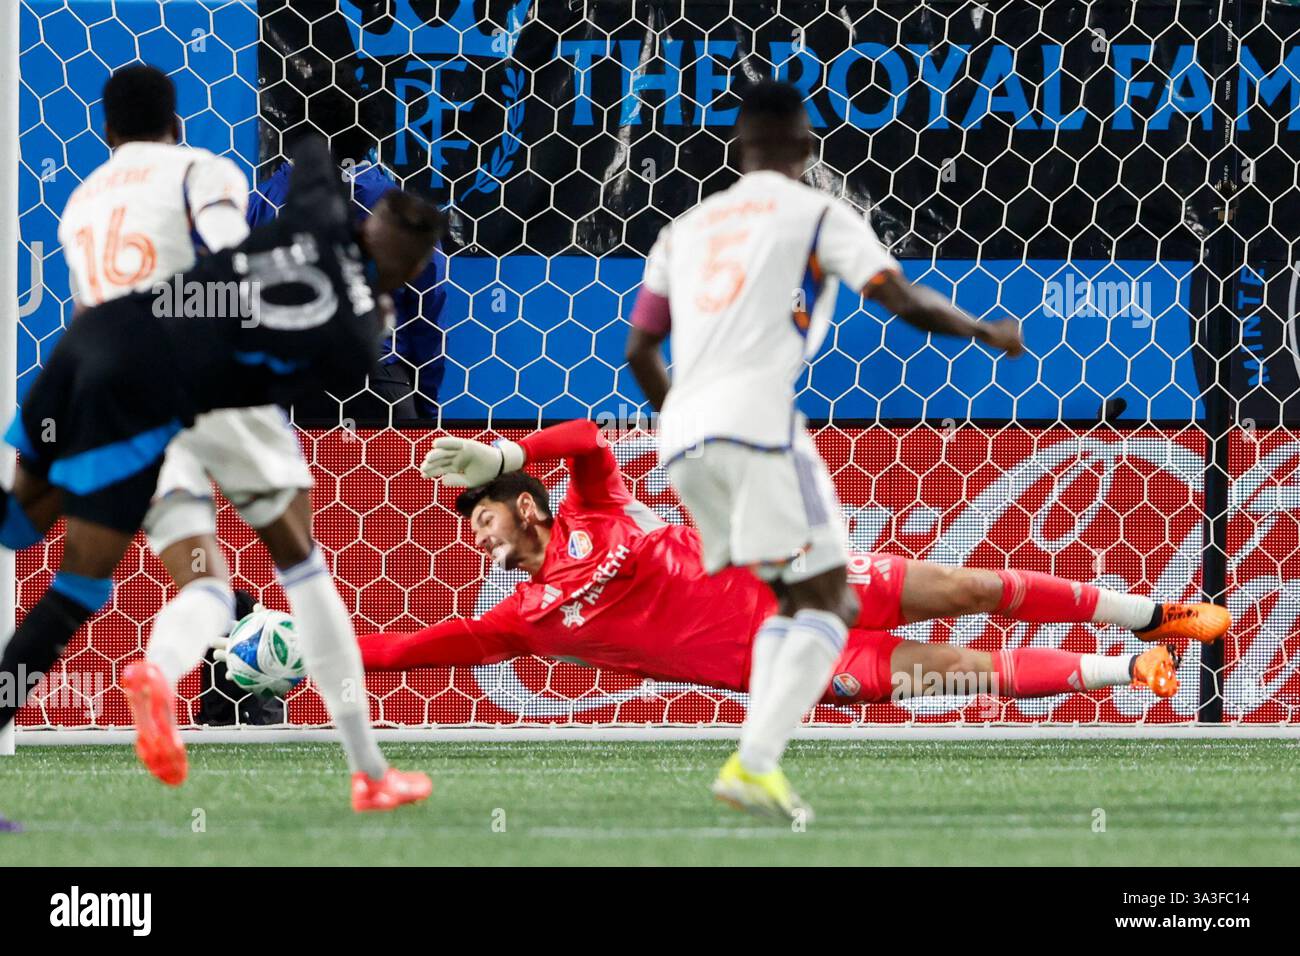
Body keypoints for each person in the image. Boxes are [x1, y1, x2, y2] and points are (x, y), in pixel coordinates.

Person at [362, 421, 1228, 787]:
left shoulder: (596, 507)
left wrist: (506, 448)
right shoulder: (527, 618)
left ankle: (1150, 614)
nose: (473, 534)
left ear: (521, 502)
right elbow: (413, 650)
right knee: (970, 675)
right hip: (804, 665)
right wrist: (317, 647)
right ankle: (1133, 666)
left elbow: (587, 442)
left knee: (969, 586)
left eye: (479, 513)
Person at [0, 101, 440, 811]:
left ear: (109, 134)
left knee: (40, 544)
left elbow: (303, 173)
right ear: (176, 126)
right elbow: (232, 249)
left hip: (101, 354)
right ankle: (367, 769)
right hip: (202, 391)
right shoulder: (206, 175)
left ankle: (160, 671)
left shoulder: (83, 199)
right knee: (298, 567)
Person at [624, 80, 1024, 819]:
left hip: (677, 436)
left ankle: (755, 759)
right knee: (833, 601)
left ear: (736, 149)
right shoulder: (815, 212)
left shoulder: (683, 228)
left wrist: (685, 417)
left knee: (791, 595)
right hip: (757, 424)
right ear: (808, 149)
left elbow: (640, 349)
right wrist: (983, 331)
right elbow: (902, 298)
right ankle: (755, 763)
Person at [247, 138, 447, 422]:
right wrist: (426, 408)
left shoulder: (262, 200)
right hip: (381, 383)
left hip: (294, 387)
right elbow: (429, 314)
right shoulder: (401, 211)